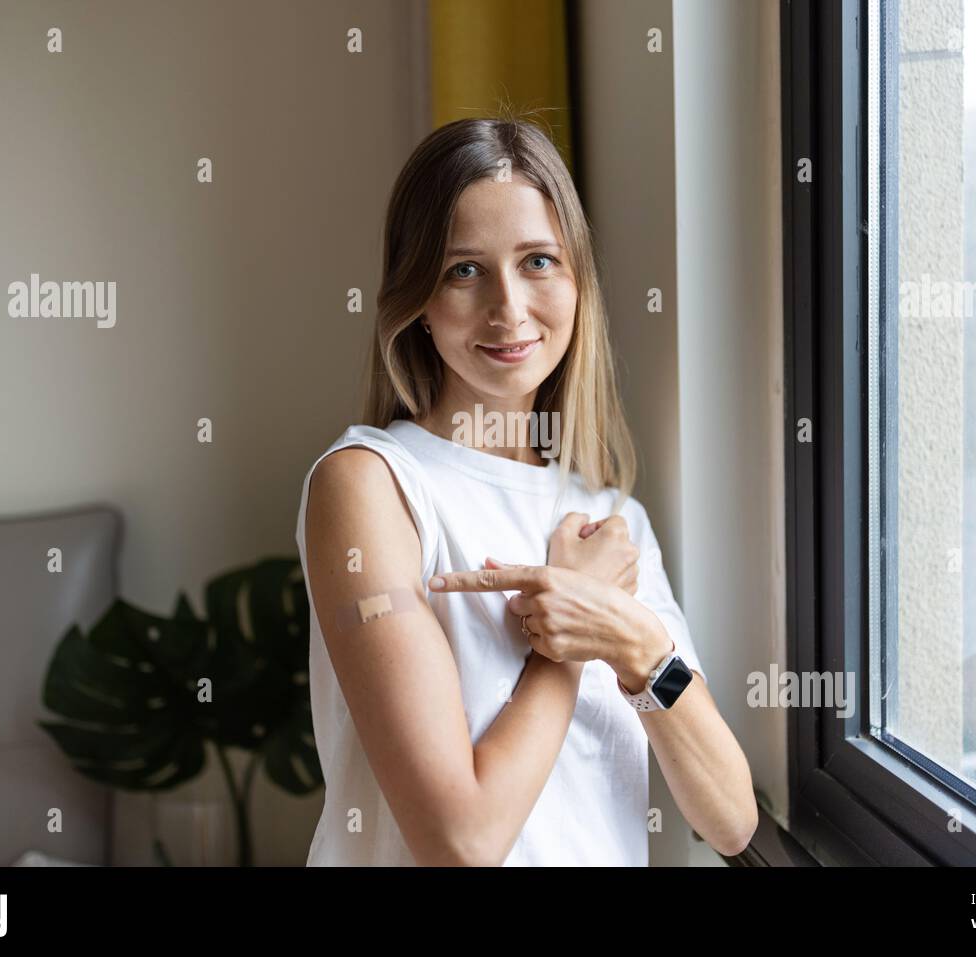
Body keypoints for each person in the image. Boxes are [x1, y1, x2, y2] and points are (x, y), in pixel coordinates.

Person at [294, 115, 757, 866]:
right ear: (418, 297)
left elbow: (732, 819)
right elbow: (461, 841)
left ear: (577, 278)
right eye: (464, 270)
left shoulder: (612, 522)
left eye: (538, 260)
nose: (509, 309)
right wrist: (568, 641)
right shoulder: (371, 484)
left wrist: (635, 643)